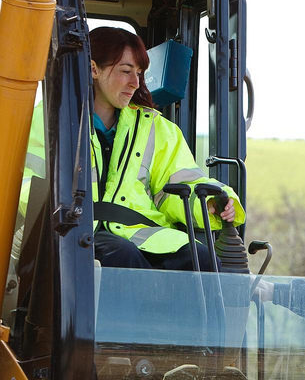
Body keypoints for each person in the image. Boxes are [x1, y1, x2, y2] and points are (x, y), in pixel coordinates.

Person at [21, 26, 244, 271]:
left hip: (140, 232)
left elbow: (181, 183)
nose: (135, 83)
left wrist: (209, 202)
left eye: (139, 73)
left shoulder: (156, 127)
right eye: (126, 71)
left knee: (202, 259)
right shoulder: (52, 120)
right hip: (76, 231)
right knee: (122, 257)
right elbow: (28, 186)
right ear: (94, 69)